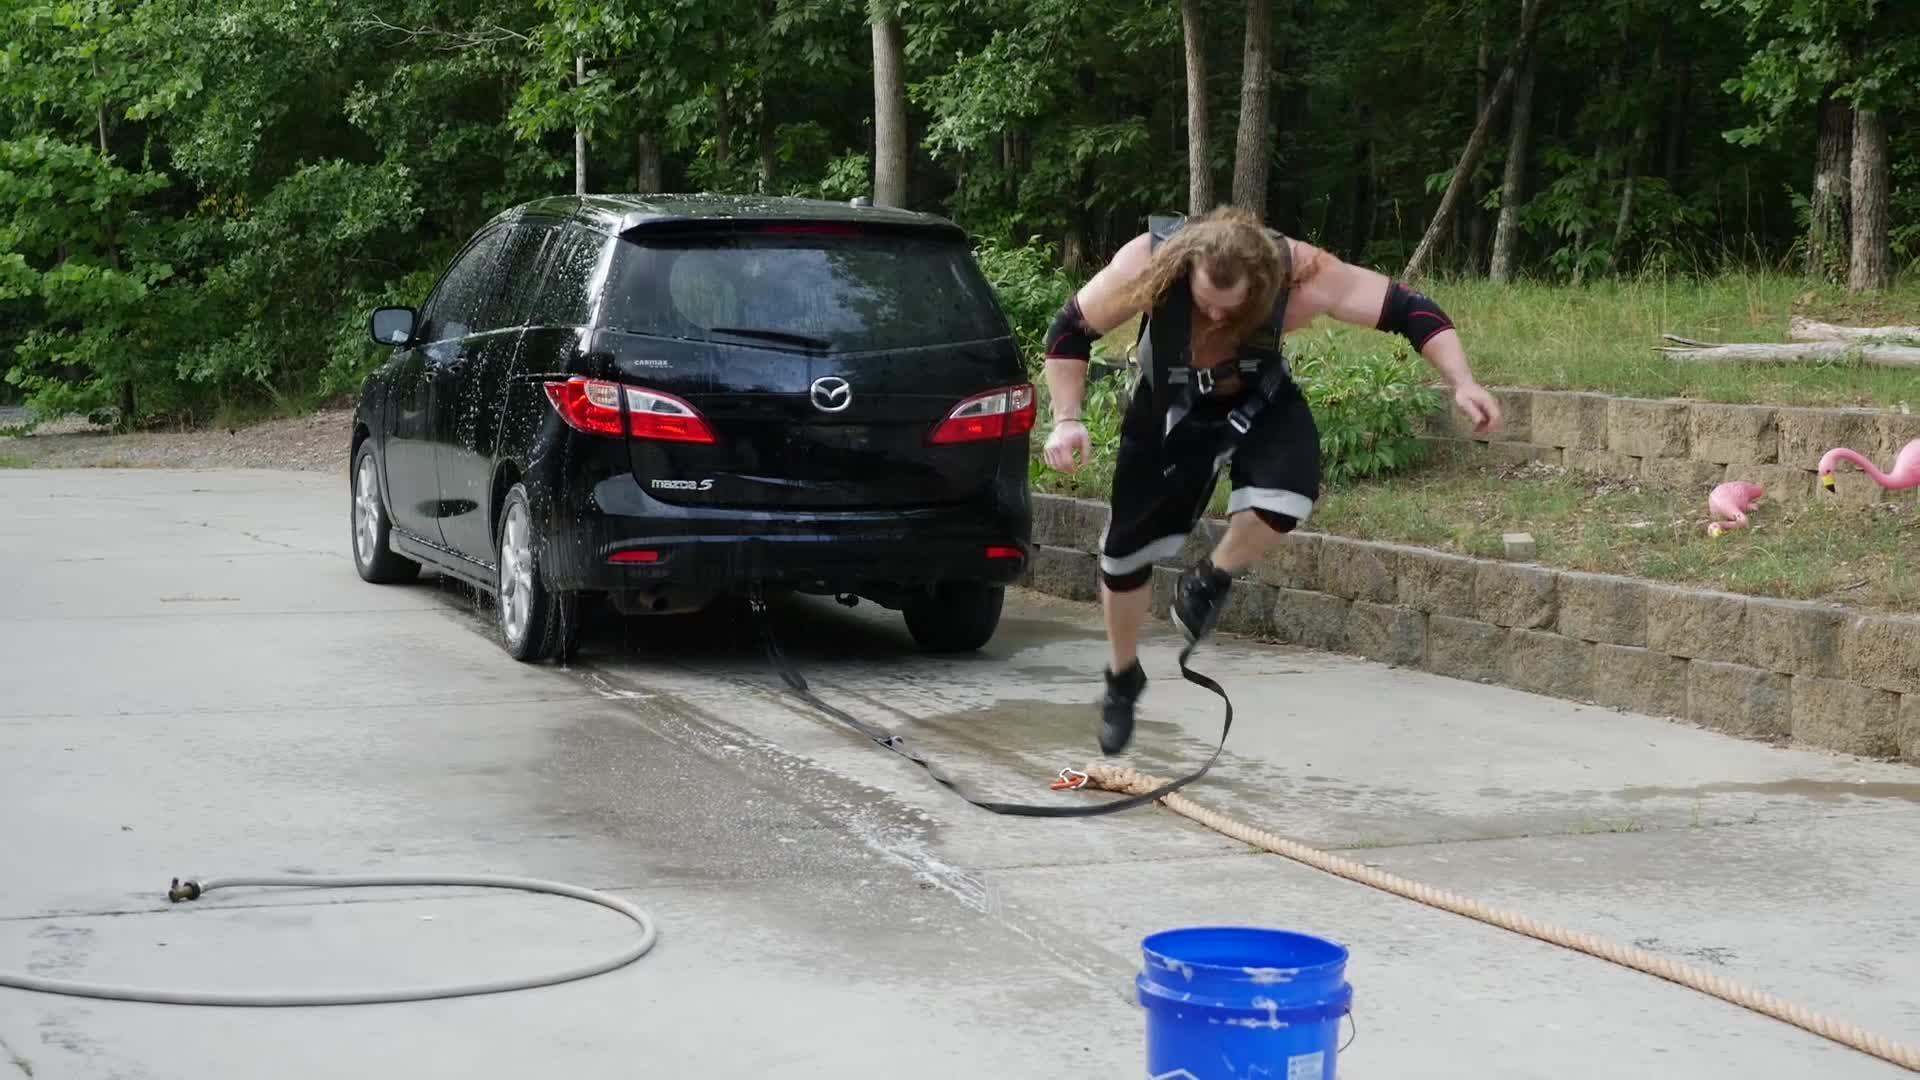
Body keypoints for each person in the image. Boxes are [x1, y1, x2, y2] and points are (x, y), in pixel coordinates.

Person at [1039, 206, 1502, 755]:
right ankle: (1122, 678)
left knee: (1289, 493)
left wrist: (1463, 381)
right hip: (1167, 408)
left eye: (1228, 310)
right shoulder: (1149, 262)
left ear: (1263, 288)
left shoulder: (1302, 273)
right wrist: (1067, 419)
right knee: (1124, 561)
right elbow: (1069, 330)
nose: (1212, 316)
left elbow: (1409, 309)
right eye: (1203, 300)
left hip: (1257, 398)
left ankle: (1211, 577)